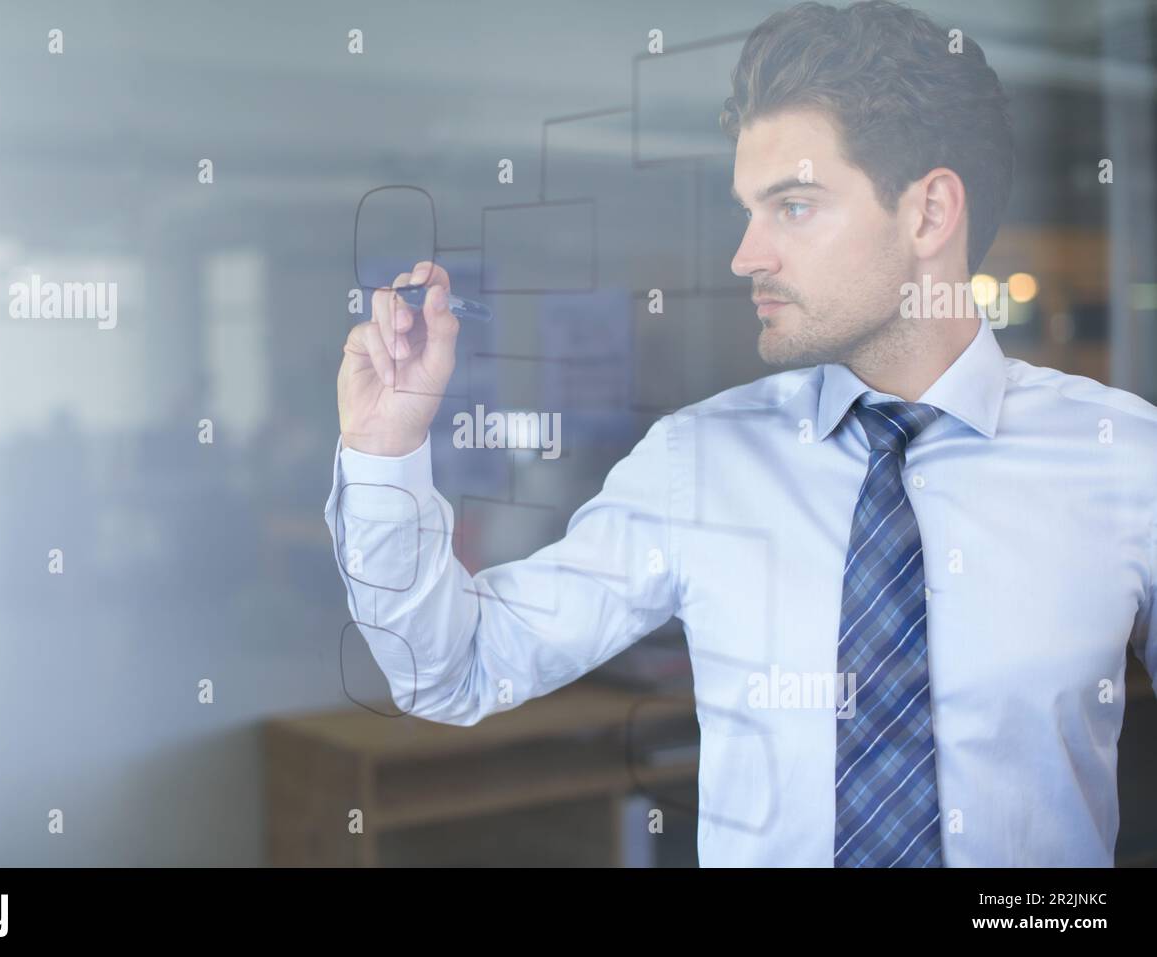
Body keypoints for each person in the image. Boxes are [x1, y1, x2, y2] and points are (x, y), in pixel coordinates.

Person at [325, 0, 1157, 866]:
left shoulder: (1127, 461)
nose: (745, 254)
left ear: (928, 213)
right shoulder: (697, 462)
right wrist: (385, 452)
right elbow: (448, 670)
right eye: (748, 210)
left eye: (792, 207)